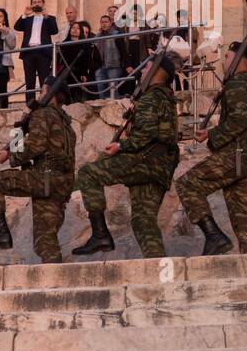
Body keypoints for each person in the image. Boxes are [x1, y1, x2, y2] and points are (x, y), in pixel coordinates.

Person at [73, 53, 181, 258]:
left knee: (88, 173)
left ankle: (100, 234)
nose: (143, 71)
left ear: (159, 73)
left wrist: (120, 146)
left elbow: (145, 134)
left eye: (148, 68)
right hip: (160, 167)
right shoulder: (165, 97)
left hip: (145, 161)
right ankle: (157, 269)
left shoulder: (151, 97)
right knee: (143, 221)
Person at [175, 41, 247, 255]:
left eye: (227, 56)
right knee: (245, 223)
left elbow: (239, 120)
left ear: (238, 60)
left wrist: (213, 135)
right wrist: (211, 133)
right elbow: (243, 120)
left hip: (237, 153)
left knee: (188, 184)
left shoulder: (236, 83)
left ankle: (214, 236)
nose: (224, 61)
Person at [0, 74, 76, 262]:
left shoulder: (43, 113)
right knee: (45, 241)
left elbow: (35, 146)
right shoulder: (67, 124)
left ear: (51, 94)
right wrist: (20, 127)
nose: (39, 93)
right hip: (62, 185)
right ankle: (55, 278)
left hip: (42, 177)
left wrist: (10, 155)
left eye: (43, 90)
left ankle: (0, 233)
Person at [13, 0, 59, 105]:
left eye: (39, 1)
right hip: (28, 53)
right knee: (29, 80)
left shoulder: (50, 18)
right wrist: (24, 14)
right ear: (31, 5)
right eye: (34, 2)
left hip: (43, 52)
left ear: (43, 4)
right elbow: (17, 27)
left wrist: (46, 16)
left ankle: (45, 102)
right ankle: (30, 104)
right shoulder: (27, 18)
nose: (36, 3)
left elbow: (54, 31)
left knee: (44, 80)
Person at [57, 20, 98, 102]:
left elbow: (86, 62)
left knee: (75, 95)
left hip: (77, 74)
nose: (75, 30)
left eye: (78, 28)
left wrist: (84, 74)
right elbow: (58, 60)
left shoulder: (85, 46)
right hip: (64, 74)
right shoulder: (63, 45)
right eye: (73, 28)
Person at [94, 13, 129, 99]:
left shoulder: (116, 34)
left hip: (114, 66)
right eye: (102, 22)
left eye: (106, 22)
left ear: (110, 23)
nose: (104, 24)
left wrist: (127, 65)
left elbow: (123, 51)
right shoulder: (97, 36)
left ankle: (114, 109)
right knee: (101, 88)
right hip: (100, 66)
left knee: (113, 89)